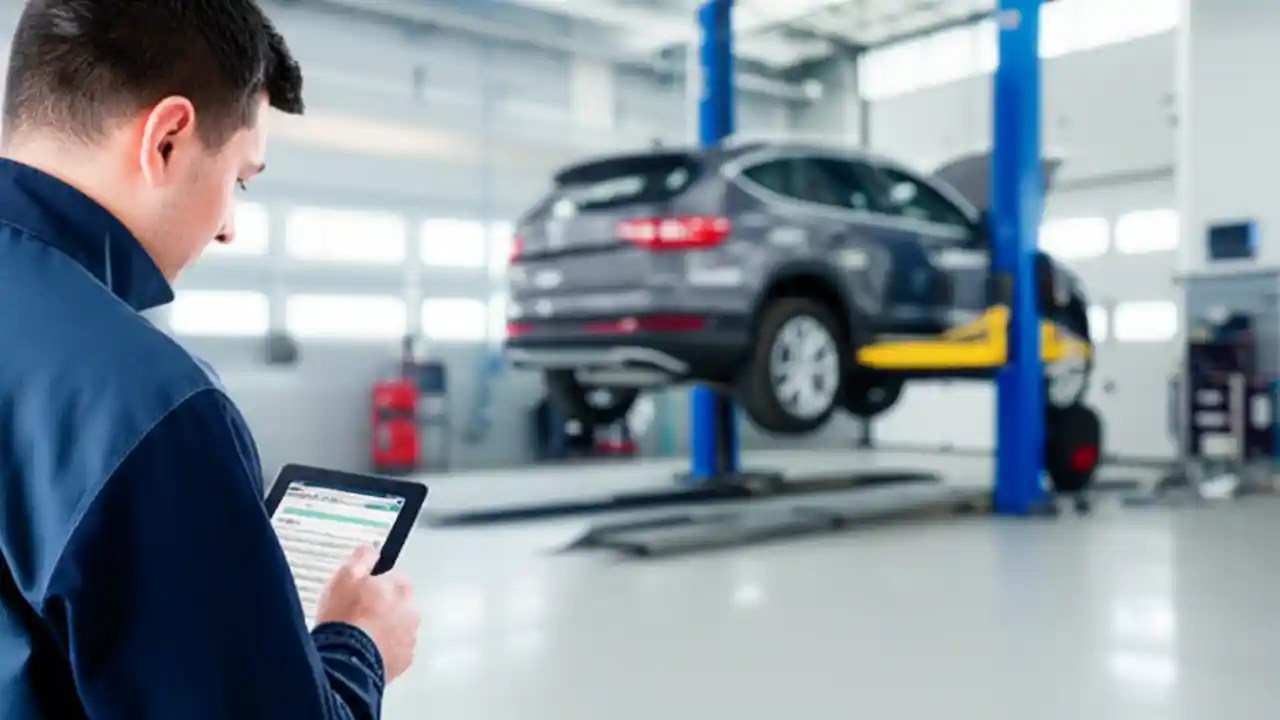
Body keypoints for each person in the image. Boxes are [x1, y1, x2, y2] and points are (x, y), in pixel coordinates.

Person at [0, 1, 421, 718]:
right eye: (240, 179)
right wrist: (357, 644)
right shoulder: (146, 403)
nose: (227, 226)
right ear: (166, 138)